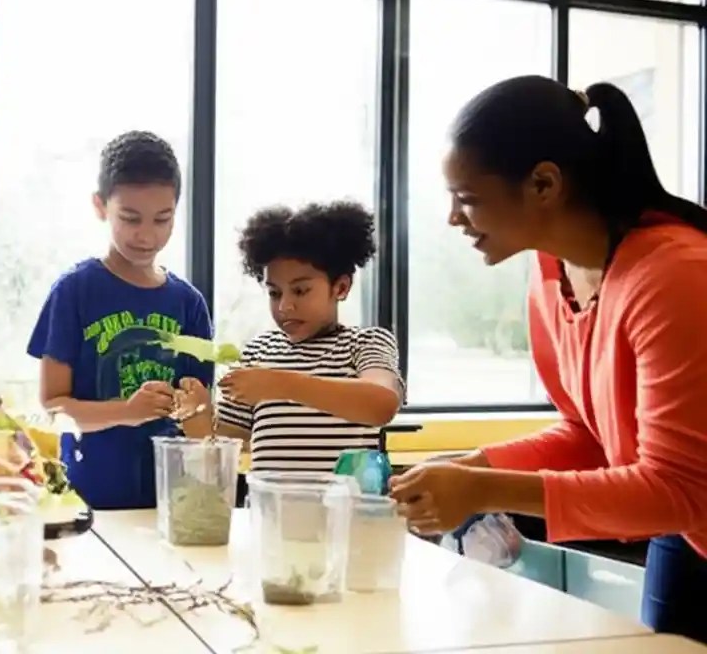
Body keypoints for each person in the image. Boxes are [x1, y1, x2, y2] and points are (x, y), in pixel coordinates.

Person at [389, 75, 707, 642]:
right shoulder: (551, 274)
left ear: (543, 183)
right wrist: (475, 467)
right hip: (686, 533)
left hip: (685, 508)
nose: (453, 220)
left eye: (467, 199)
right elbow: (592, 436)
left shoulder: (675, 275)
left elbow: (680, 488)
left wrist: (484, 490)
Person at [28, 130, 214, 510]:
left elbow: (201, 425)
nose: (147, 235)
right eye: (130, 218)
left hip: (167, 502)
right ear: (100, 206)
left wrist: (194, 409)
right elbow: (54, 406)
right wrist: (128, 412)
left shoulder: (188, 304)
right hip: (85, 499)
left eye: (163, 219)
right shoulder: (75, 291)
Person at [179, 201, 403, 473]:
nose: (285, 306)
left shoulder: (365, 343)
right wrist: (196, 414)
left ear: (341, 287)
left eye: (300, 291)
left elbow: (382, 404)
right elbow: (226, 444)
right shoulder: (259, 352)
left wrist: (281, 384)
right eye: (274, 293)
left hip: (345, 513)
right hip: (272, 511)